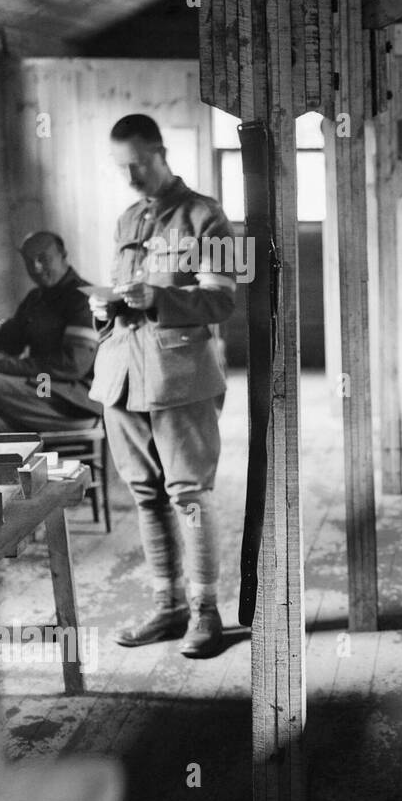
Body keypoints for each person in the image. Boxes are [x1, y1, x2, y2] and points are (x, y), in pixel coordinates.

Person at [90, 114, 237, 658]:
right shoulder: (127, 218)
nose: (129, 178)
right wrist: (103, 307)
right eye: (120, 168)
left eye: (137, 165)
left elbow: (223, 299)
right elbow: (121, 292)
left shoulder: (209, 216)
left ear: (160, 153)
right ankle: (167, 606)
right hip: (121, 375)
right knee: (145, 495)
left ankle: (205, 612)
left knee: (188, 495)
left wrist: (160, 300)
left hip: (180, 377)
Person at [0, 232, 102, 433]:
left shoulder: (84, 298)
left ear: (63, 255)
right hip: (41, 389)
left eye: (43, 259)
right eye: (29, 261)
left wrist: (3, 364)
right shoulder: (36, 299)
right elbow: (10, 340)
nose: (36, 268)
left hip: (73, 397)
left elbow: (72, 366)